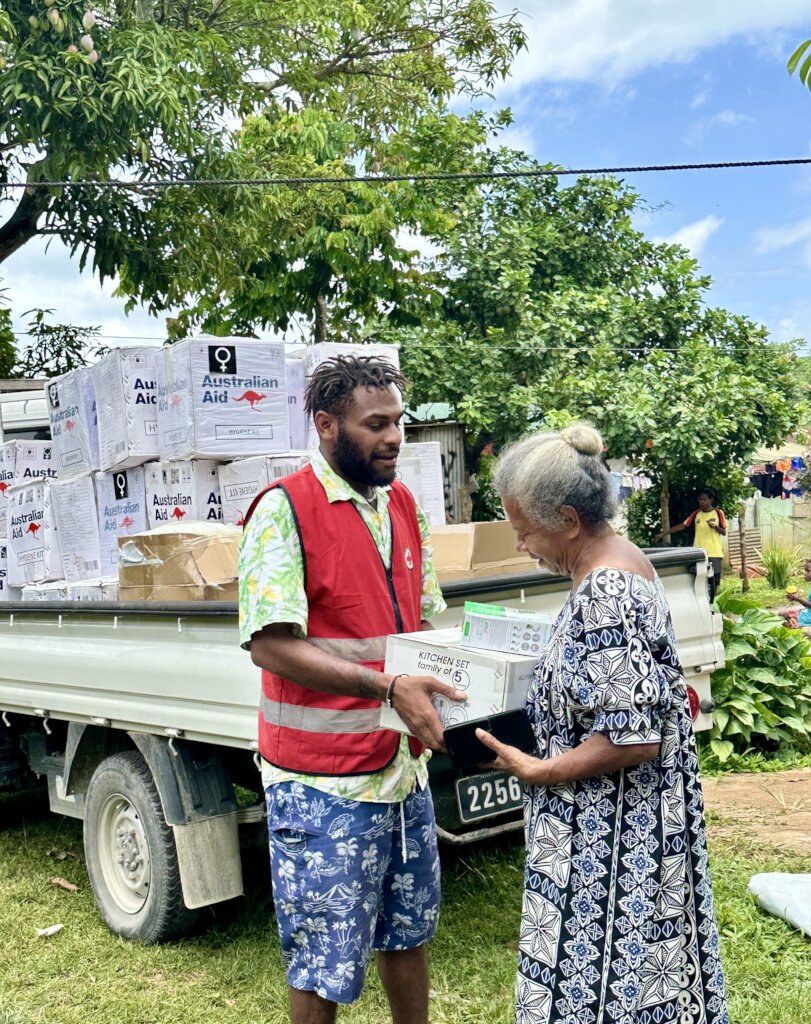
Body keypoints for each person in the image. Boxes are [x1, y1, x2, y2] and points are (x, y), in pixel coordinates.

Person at [474, 424, 729, 1024]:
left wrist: (539, 769)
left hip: (611, 845)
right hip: (632, 829)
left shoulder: (605, 592)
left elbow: (631, 737)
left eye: (525, 531)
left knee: (602, 989)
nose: (522, 546)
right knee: (645, 988)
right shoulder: (619, 561)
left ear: (566, 519)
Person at [238, 355, 465, 1024]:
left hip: (401, 773)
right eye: (375, 424)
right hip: (320, 786)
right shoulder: (283, 511)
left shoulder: (402, 507)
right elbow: (269, 644)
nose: (394, 436)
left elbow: (420, 623)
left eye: (398, 421)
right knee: (321, 963)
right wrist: (386, 686)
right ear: (326, 425)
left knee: (409, 932)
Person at [655, 489, 727, 600]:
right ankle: (702, 601)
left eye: (704, 499)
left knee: (715, 580)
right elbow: (682, 526)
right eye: (700, 499)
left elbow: (724, 532)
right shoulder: (696, 514)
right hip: (699, 553)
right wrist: (663, 534)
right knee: (699, 578)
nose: (701, 502)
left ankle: (714, 603)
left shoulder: (718, 513)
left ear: (711, 500)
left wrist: (715, 527)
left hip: (714, 552)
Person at [778, 559, 811, 632]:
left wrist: (798, 599)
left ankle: (795, 630)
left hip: (809, 617)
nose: (805, 573)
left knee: (782, 617)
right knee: (782, 613)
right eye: (805, 571)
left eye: (808, 571)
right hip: (808, 612)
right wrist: (797, 598)